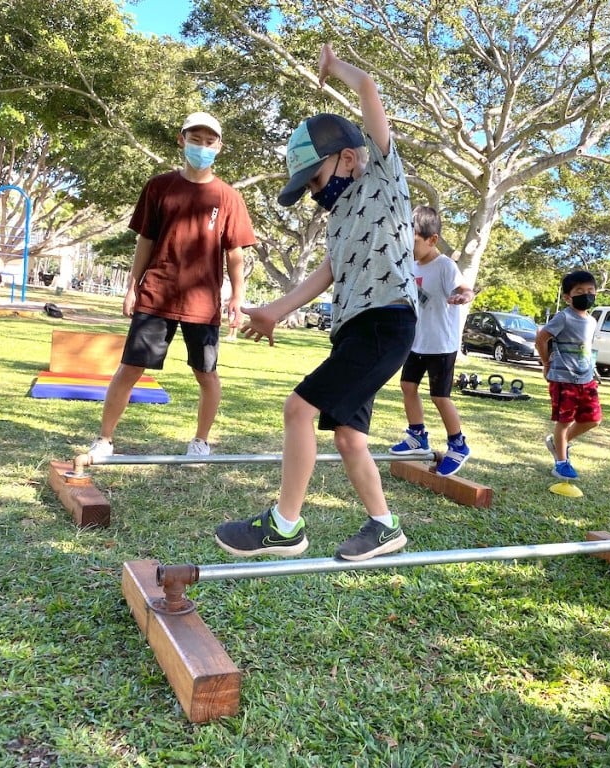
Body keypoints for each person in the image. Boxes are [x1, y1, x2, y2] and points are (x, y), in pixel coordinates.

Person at [215, 44, 418, 562]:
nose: (312, 193)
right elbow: (327, 274)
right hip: (354, 330)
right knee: (348, 435)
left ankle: (285, 526)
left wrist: (333, 68)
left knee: (299, 409)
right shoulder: (338, 219)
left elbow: (368, 89)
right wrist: (274, 310)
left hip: (386, 322)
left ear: (347, 159)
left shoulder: (383, 179)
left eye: (315, 179)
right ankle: (385, 526)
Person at [86, 111, 256, 459]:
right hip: (156, 294)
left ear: (219, 147)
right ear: (182, 140)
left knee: (206, 374)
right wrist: (132, 286)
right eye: (195, 140)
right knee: (130, 368)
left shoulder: (228, 197)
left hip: (202, 302)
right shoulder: (159, 186)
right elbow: (145, 240)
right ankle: (104, 440)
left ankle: (201, 442)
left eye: (209, 142)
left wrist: (237, 297)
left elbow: (234, 252)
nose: (202, 147)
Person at [388, 205, 474, 476]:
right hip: (418, 341)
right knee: (407, 385)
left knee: (439, 396)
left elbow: (466, 289)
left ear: (432, 239)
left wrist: (463, 297)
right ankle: (417, 435)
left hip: (441, 344)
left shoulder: (445, 265)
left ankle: (458, 444)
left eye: (412, 241)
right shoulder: (411, 265)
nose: (407, 247)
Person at [535, 270, 602, 479]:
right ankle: (561, 463)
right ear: (567, 297)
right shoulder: (563, 317)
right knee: (564, 422)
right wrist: (546, 363)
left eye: (590, 290)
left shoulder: (591, 321)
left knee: (593, 419)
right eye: (579, 291)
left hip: (586, 379)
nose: (586, 295)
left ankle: (558, 444)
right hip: (564, 379)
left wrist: (592, 371)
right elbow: (541, 338)